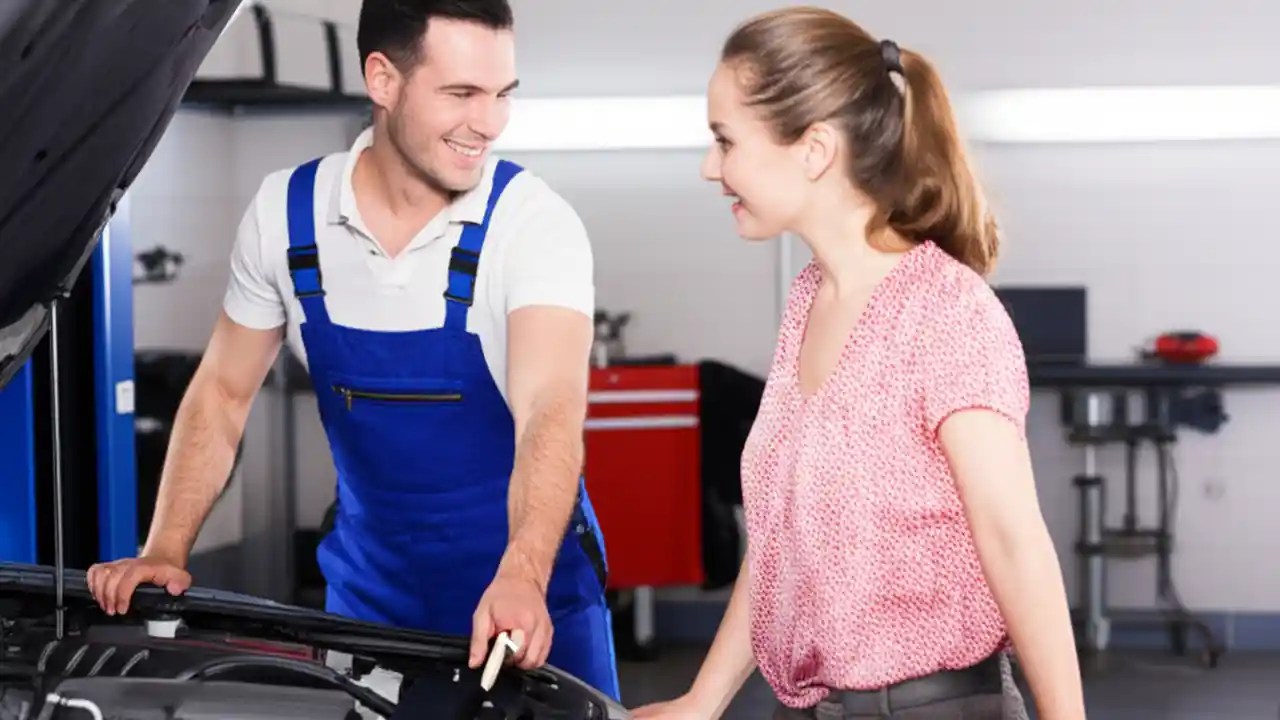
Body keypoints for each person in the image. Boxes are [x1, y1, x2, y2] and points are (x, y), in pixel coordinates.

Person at [85, 0, 620, 699]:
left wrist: (522, 571)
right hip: (371, 618)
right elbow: (221, 393)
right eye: (461, 93)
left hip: (533, 608)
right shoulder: (287, 217)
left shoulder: (531, 223)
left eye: (501, 95)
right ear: (383, 80)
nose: (488, 123)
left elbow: (551, 411)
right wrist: (165, 549)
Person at [633, 7, 1086, 720]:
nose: (709, 166)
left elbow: (1013, 542)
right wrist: (704, 699)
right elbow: (784, 536)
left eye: (724, 141)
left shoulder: (945, 310)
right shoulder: (809, 299)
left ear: (813, 150)